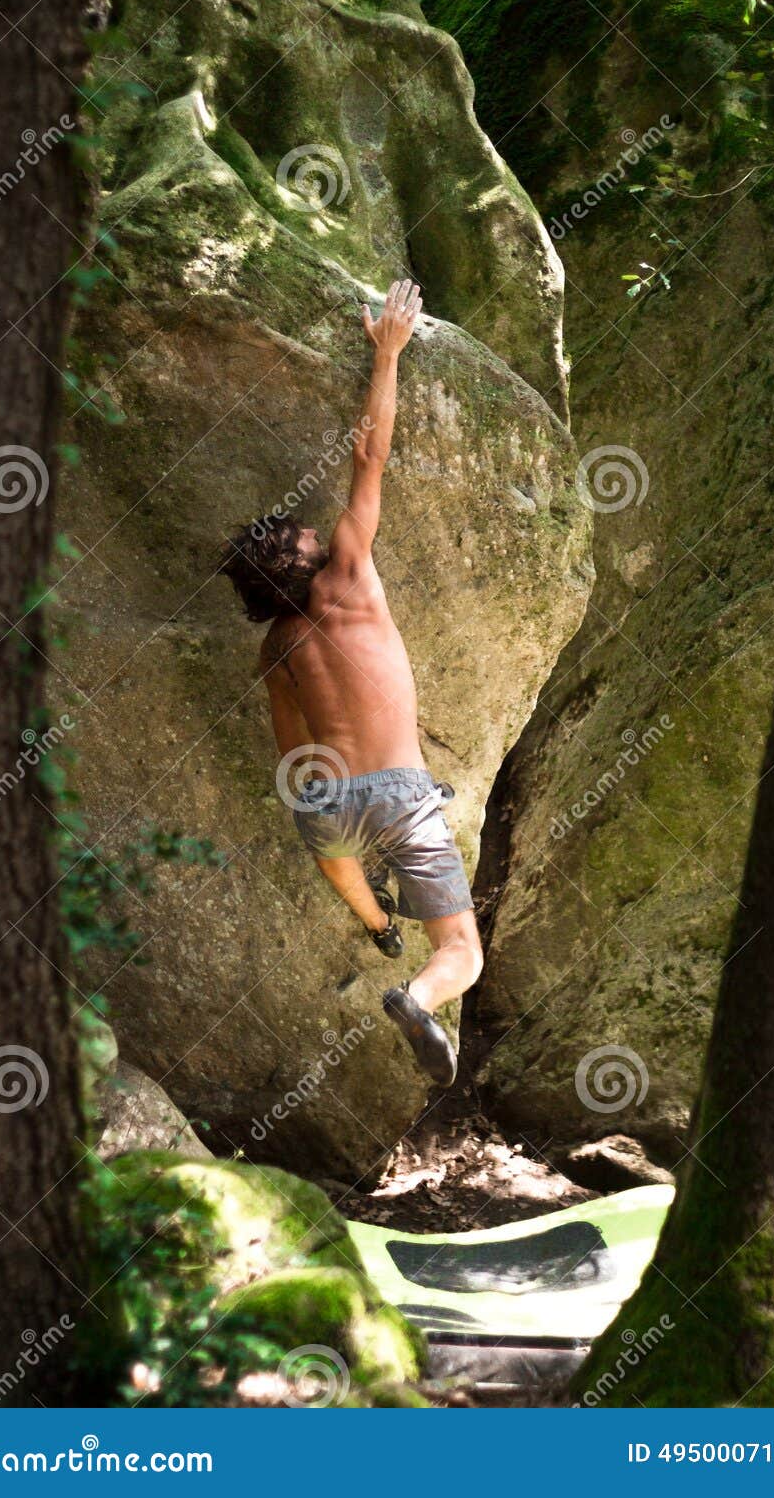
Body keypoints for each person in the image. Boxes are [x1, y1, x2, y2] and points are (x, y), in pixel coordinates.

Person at [219, 280, 482, 1087]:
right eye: (300, 532)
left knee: (333, 848)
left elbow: (291, 749)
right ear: (301, 562)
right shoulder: (349, 577)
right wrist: (388, 353)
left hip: (325, 796)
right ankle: (418, 997)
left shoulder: (275, 648)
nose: (309, 525)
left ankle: (374, 923)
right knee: (460, 949)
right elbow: (372, 453)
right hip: (401, 792)